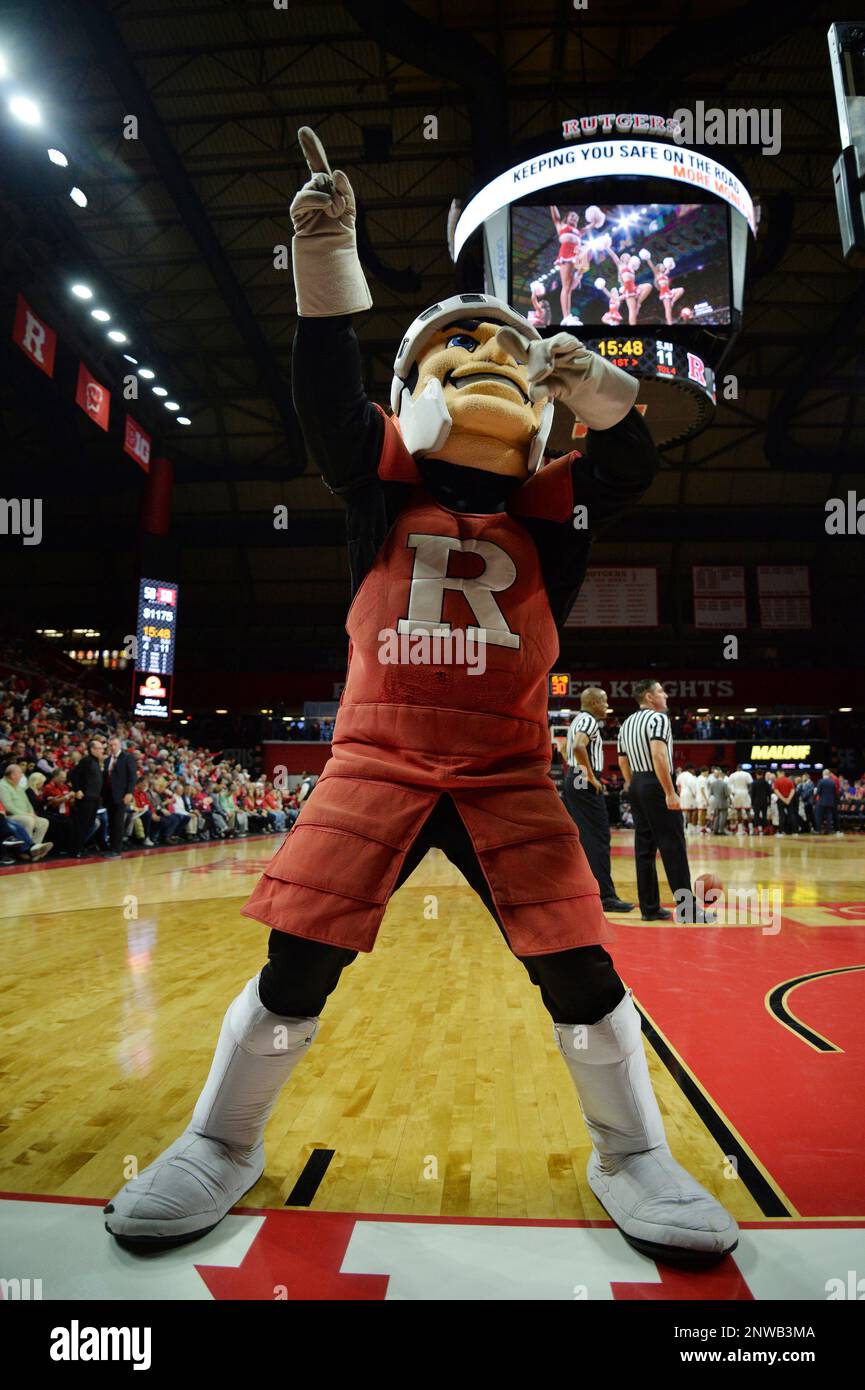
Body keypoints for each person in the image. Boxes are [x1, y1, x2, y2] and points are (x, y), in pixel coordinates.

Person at [105, 126, 736, 1268]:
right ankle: (219, 1138)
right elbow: (325, 398)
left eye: (506, 351)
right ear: (411, 386)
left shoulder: (555, 500)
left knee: (579, 970)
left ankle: (631, 1153)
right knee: (299, 958)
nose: (487, 359)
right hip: (379, 759)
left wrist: (591, 379)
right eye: (459, 349)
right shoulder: (375, 475)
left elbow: (633, 461)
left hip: (504, 768)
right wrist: (326, 258)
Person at [617, 683, 713, 923]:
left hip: (637, 782)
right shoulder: (658, 719)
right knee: (673, 846)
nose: (666, 695)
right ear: (649, 697)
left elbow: (622, 760)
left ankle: (649, 908)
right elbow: (659, 754)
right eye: (661, 691)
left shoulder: (626, 724)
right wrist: (669, 791)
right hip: (655, 782)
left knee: (644, 849)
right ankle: (687, 909)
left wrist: (632, 785)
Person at [563, 686, 633, 912]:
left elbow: (564, 749)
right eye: (604, 702)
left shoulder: (576, 721)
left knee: (586, 838)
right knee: (599, 838)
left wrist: (576, 772)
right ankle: (605, 897)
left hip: (574, 778)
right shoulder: (589, 721)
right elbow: (577, 746)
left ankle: (588, 892)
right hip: (583, 778)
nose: (607, 706)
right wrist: (590, 776)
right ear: (593, 703)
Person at [0, 763, 52, 852]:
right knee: (28, 820)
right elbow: (7, 806)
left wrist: (32, 813)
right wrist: (26, 814)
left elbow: (27, 803)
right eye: (20, 773)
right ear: (13, 775)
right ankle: (25, 850)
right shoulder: (2, 785)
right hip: (11, 816)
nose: (22, 775)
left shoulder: (18, 786)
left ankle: (36, 849)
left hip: (25, 814)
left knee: (43, 822)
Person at [102, 736, 137, 856]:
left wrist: (129, 792)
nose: (112, 747)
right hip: (109, 796)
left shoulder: (127, 758)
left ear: (120, 745)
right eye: (110, 745)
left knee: (118, 823)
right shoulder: (107, 760)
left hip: (122, 795)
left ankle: (116, 849)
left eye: (114, 745)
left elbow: (132, 777)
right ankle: (112, 846)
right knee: (111, 822)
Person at [69, 738, 104, 855]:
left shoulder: (96, 762)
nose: (102, 751)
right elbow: (72, 774)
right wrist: (77, 789)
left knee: (89, 824)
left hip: (94, 798)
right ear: (92, 749)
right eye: (100, 748)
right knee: (82, 825)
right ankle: (75, 850)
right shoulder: (86, 761)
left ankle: (81, 848)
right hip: (86, 798)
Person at [727, 764, 753, 834]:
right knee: (748, 811)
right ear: (742, 768)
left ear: (737, 768)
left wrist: (732, 793)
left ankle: (740, 830)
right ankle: (751, 830)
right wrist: (748, 792)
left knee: (738, 811)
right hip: (745, 792)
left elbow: (729, 786)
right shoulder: (747, 774)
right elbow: (751, 785)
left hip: (737, 793)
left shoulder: (733, 775)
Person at [772, 768, 797, 836]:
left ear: (781, 773)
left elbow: (776, 791)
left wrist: (783, 799)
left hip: (781, 800)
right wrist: (788, 799)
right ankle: (794, 831)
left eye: (777, 774)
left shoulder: (777, 781)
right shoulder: (789, 780)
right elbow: (793, 790)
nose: (777, 775)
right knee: (791, 815)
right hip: (789, 800)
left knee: (781, 815)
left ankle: (781, 832)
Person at [815, 769, 839, 834]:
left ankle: (819, 830)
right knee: (829, 817)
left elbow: (818, 792)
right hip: (830, 802)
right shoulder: (832, 782)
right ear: (828, 774)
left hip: (822, 802)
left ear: (823, 774)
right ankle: (829, 831)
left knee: (819, 816)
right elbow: (835, 793)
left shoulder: (821, 781)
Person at [707, 768, 730, 835]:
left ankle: (715, 830)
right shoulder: (724, 784)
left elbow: (711, 793)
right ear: (722, 776)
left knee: (716, 817)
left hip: (715, 802)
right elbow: (727, 794)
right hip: (723, 802)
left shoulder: (713, 783)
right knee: (723, 817)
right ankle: (721, 830)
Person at [676, 763, 697, 829]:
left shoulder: (680, 775)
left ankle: (683, 826)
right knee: (691, 811)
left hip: (682, 794)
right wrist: (694, 793)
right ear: (690, 769)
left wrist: (679, 794)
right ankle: (690, 827)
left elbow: (678, 785)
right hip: (689, 794)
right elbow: (692, 785)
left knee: (683, 811)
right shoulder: (690, 776)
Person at [750, 768, 771, 835]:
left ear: (756, 774)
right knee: (764, 816)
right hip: (764, 802)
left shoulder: (754, 783)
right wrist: (769, 802)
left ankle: (756, 830)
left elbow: (752, 794)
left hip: (756, 802)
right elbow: (769, 793)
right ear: (762, 774)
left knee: (756, 815)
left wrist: (752, 803)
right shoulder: (766, 783)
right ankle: (765, 830)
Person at [695, 766, 711, 833]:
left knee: (703, 812)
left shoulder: (699, 778)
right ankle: (701, 827)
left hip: (700, 797)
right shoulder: (702, 779)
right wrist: (706, 799)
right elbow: (702, 790)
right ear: (705, 771)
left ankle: (703, 827)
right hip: (702, 798)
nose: (708, 774)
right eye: (708, 772)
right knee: (701, 812)